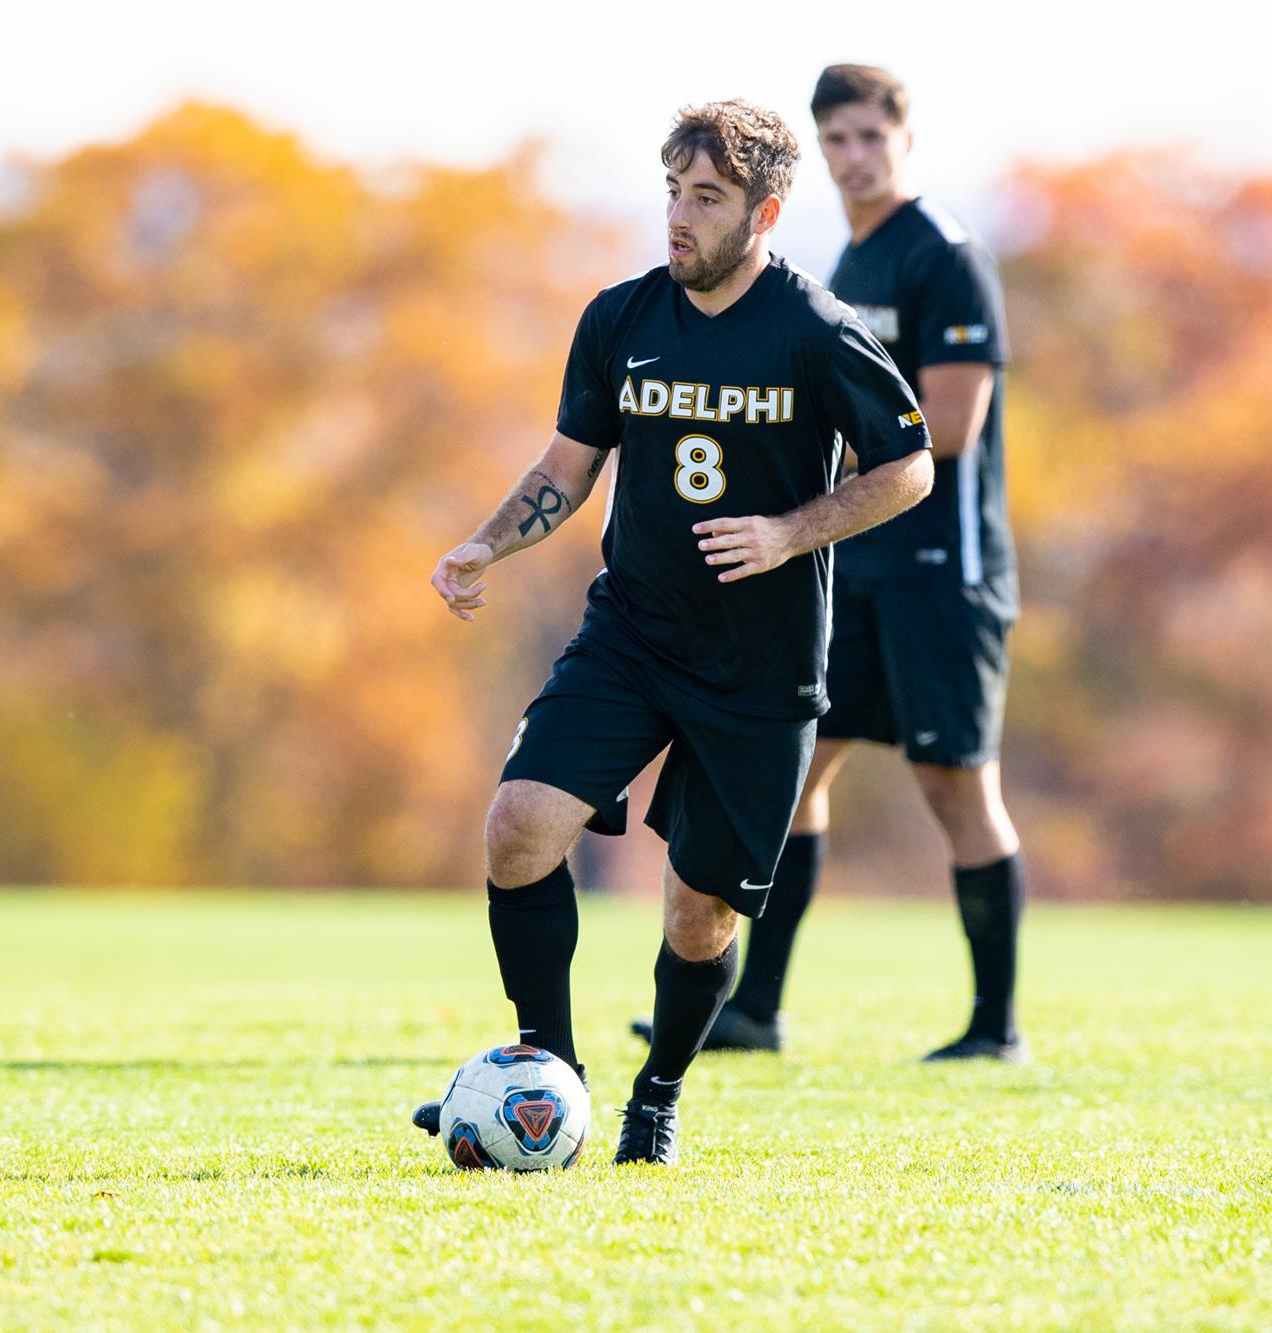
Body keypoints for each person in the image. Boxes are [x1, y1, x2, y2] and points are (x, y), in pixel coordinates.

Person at [416, 99, 934, 1166]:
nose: (680, 219)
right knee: (518, 825)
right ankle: (544, 1078)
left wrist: (793, 530)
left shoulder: (817, 329)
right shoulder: (619, 317)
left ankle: (656, 1094)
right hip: (632, 633)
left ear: (764, 211)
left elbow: (908, 466)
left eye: (707, 199)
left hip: (760, 665)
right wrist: (484, 545)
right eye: (672, 194)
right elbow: (567, 468)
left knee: (699, 917)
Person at [635, 65, 1030, 1063]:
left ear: (903, 139)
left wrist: (801, 470)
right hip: (850, 562)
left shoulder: (943, 256)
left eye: (866, 137)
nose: (852, 158)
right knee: (798, 769)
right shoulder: (850, 262)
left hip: (941, 566)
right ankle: (755, 1009)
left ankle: (994, 1028)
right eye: (834, 141)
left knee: (953, 783)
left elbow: (947, 425)